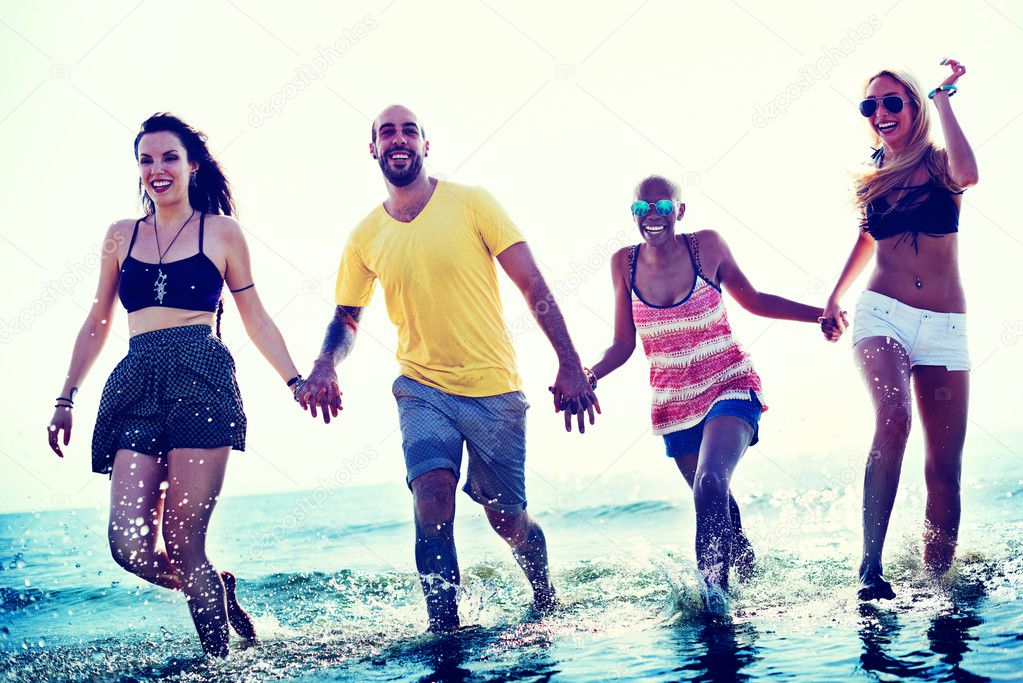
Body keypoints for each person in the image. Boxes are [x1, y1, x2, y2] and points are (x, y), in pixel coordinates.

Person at [299, 104, 598, 633]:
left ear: (424, 144)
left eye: (408, 130)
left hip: (494, 389)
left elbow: (533, 285)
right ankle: (445, 633)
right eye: (386, 132)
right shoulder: (365, 235)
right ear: (373, 149)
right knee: (431, 497)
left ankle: (546, 596)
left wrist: (570, 362)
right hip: (422, 389)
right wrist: (325, 364)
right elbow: (346, 318)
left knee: (507, 519)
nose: (398, 139)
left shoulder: (473, 203)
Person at [46, 113, 305, 657]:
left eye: (168, 157)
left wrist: (295, 381)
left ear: (192, 165)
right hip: (136, 379)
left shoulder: (223, 232)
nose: (157, 169)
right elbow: (98, 321)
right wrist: (65, 396)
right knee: (128, 546)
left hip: (201, 375)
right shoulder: (121, 235)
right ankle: (215, 585)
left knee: (185, 541)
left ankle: (219, 664)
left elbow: (254, 316)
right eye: (146, 159)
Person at [588, 175, 830, 611]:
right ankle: (751, 580)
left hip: (729, 385)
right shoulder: (623, 264)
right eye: (642, 209)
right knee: (719, 505)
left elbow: (753, 300)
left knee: (709, 482)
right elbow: (624, 344)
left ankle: (712, 604)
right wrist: (589, 373)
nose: (653, 217)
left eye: (663, 206)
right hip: (673, 404)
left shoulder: (706, 247)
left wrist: (819, 315)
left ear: (680, 210)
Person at [823, 60, 978, 601]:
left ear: (914, 107)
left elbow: (970, 174)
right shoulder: (875, 178)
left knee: (945, 468)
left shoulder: (939, 166)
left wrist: (943, 99)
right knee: (893, 415)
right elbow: (867, 241)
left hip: (945, 327)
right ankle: (870, 569)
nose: (881, 113)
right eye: (871, 106)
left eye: (893, 102)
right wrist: (835, 296)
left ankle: (938, 586)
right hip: (882, 313)